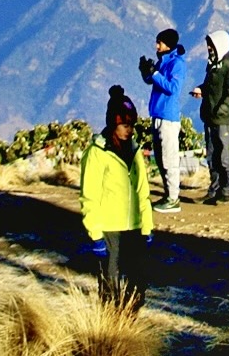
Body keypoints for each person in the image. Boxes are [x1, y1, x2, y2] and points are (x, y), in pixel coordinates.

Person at [80, 85, 156, 306]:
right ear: (113, 123)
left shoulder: (134, 152)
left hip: (134, 228)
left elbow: (143, 191)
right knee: (110, 288)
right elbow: (89, 197)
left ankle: (130, 326)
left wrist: (147, 226)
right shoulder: (96, 153)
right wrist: (95, 234)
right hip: (109, 229)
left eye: (131, 125)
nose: (129, 130)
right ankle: (112, 331)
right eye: (124, 125)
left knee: (137, 288)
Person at [187, 30, 229, 204]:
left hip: (223, 121)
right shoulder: (213, 67)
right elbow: (210, 87)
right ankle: (214, 190)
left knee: (225, 157)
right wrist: (201, 90)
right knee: (212, 156)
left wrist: (220, 111)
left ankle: (226, 192)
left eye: (211, 45)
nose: (209, 48)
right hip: (209, 119)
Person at [138, 28, 189, 213]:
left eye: (159, 42)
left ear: (167, 44)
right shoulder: (163, 61)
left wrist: (155, 74)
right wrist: (146, 72)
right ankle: (168, 195)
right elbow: (153, 81)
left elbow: (173, 88)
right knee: (160, 159)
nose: (156, 45)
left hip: (168, 118)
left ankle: (174, 199)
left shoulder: (177, 64)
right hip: (157, 116)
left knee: (169, 159)